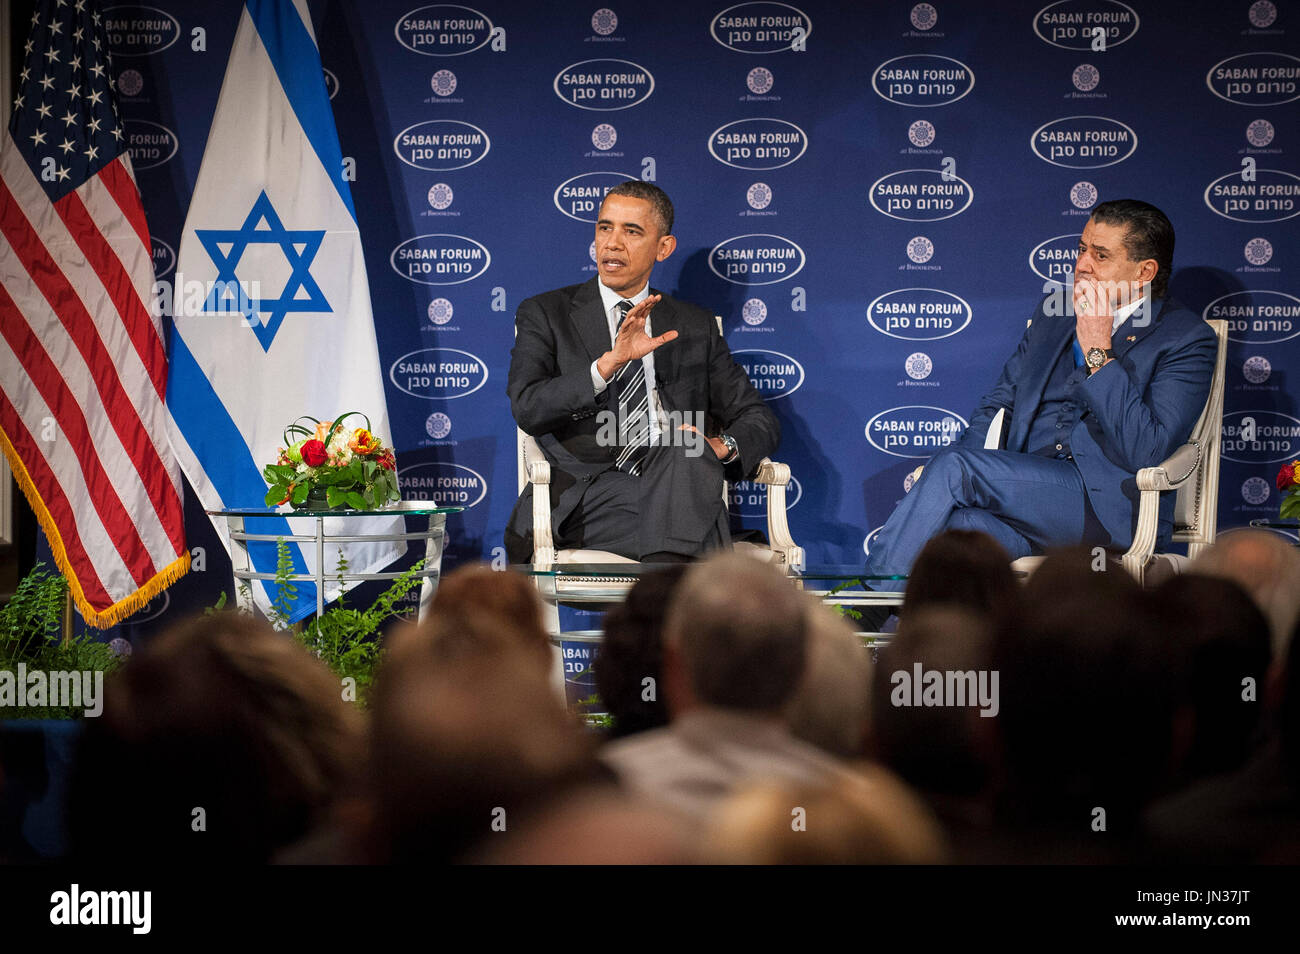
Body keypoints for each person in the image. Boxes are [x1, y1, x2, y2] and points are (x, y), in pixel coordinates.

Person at [864, 199, 1217, 578]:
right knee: (953, 531)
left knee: (953, 467)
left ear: (1144, 271)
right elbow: (999, 405)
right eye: (1082, 249)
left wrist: (1099, 350)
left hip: (1105, 508)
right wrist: (942, 489)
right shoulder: (1055, 313)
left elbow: (1147, 449)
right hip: (1024, 500)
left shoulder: (1184, 338)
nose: (1082, 265)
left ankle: (866, 608)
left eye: (1101, 255)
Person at [506, 181, 780, 563]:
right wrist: (606, 366)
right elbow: (528, 406)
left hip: (677, 477)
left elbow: (758, 418)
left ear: (663, 247)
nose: (613, 243)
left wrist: (721, 446)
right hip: (586, 496)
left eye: (631, 231)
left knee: (682, 449)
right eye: (605, 228)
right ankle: (702, 583)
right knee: (692, 516)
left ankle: (659, 602)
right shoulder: (546, 313)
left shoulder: (693, 325)